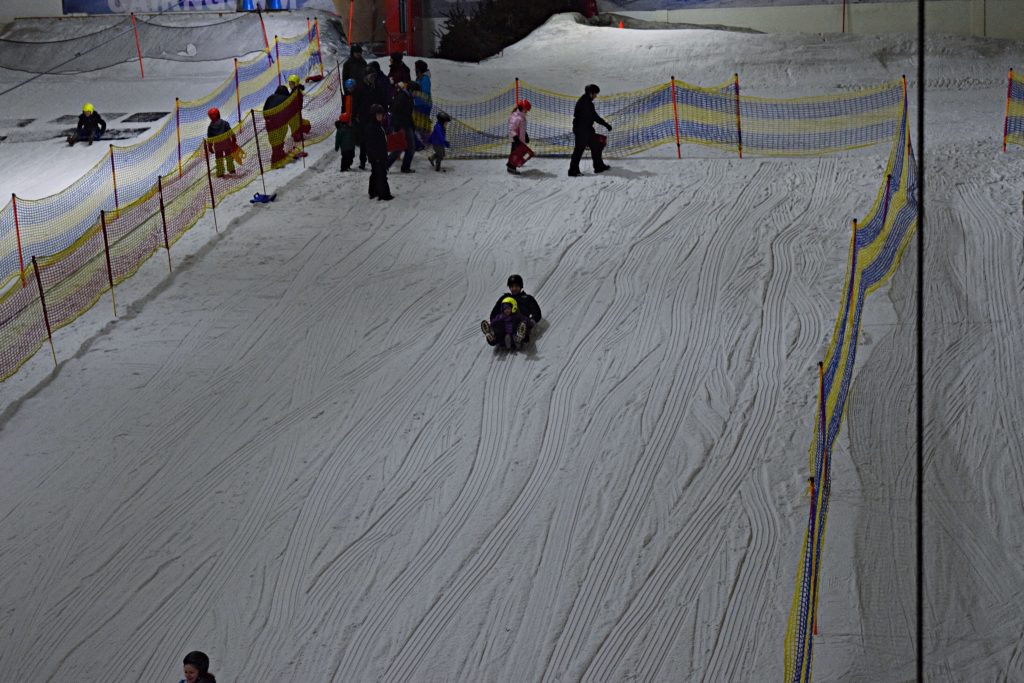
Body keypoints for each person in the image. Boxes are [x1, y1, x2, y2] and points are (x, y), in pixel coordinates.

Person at [568, 83, 612, 177]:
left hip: (585, 129)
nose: (596, 96)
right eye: (595, 94)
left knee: (596, 146)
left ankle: (599, 166)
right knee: (579, 150)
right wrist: (606, 125)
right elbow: (595, 117)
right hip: (581, 130)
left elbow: (592, 117)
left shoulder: (585, 100)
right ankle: (573, 170)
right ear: (591, 93)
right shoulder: (586, 103)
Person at [387, 81, 419, 173]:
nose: (417, 94)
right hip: (400, 126)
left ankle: (405, 167)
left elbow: (408, 115)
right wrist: (397, 127)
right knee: (398, 147)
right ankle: (385, 166)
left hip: (407, 125)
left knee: (411, 147)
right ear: (411, 90)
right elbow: (394, 111)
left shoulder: (409, 98)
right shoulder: (402, 97)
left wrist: (412, 126)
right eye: (416, 92)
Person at [262, 84, 296, 169]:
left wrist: (268, 120)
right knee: (279, 140)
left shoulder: (270, 97)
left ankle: (279, 154)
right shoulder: (286, 99)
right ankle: (275, 161)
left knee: (274, 141)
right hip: (280, 124)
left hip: (269, 123)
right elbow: (290, 112)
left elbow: (264, 111)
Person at [364, 103, 393, 201]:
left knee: (376, 173)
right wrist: (375, 157)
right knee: (381, 175)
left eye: (381, 114)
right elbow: (370, 144)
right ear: (373, 115)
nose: (380, 116)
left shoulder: (378, 125)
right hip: (377, 156)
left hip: (380, 155)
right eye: (378, 115)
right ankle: (384, 194)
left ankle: (373, 191)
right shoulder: (372, 127)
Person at [205, 107, 238, 178]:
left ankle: (220, 172)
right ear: (218, 114)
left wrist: (210, 147)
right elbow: (230, 132)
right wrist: (233, 138)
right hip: (227, 143)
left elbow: (210, 139)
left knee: (219, 159)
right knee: (229, 157)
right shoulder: (224, 123)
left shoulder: (210, 127)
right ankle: (231, 170)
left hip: (218, 146)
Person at [287, 73, 310, 157]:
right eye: (289, 83)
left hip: (295, 111)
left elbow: (296, 101)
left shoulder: (296, 92)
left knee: (296, 123)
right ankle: (298, 132)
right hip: (294, 111)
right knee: (295, 123)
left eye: (291, 84)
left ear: (296, 84)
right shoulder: (295, 90)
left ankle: (298, 134)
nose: (290, 85)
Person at [506, 99, 531, 175]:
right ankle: (511, 167)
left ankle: (512, 165)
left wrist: (525, 135)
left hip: (519, 138)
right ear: (523, 108)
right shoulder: (516, 117)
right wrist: (515, 138)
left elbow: (521, 128)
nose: (527, 111)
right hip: (515, 139)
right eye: (526, 109)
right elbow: (511, 129)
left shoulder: (521, 116)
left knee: (518, 153)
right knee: (515, 154)